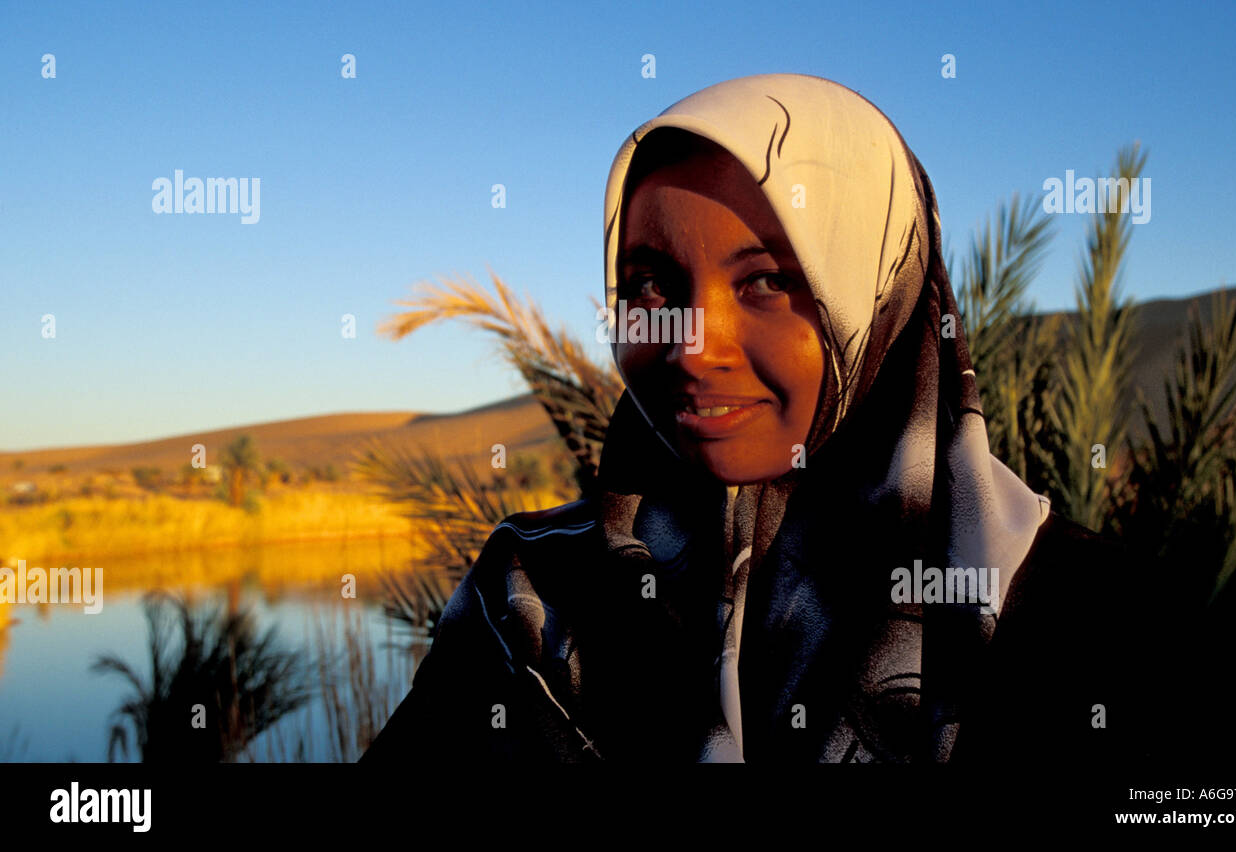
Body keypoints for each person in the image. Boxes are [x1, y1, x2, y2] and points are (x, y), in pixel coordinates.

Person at [361, 73, 1167, 765]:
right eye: (649, 284)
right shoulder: (531, 596)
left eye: (767, 282)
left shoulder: (1090, 618)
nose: (691, 346)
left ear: (880, 297)